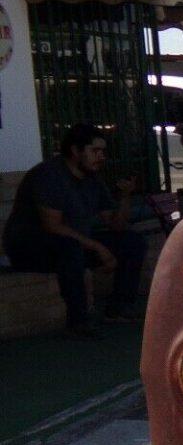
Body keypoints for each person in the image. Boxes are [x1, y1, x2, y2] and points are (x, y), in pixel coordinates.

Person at [2, 124, 146, 337]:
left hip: (75, 243)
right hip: (30, 247)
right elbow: (52, 226)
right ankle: (78, 321)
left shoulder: (93, 179)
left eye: (103, 152)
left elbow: (115, 225)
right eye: (94, 151)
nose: (101, 157)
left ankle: (119, 308)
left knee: (132, 242)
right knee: (70, 248)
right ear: (75, 151)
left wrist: (125, 195)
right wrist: (99, 248)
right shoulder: (49, 175)